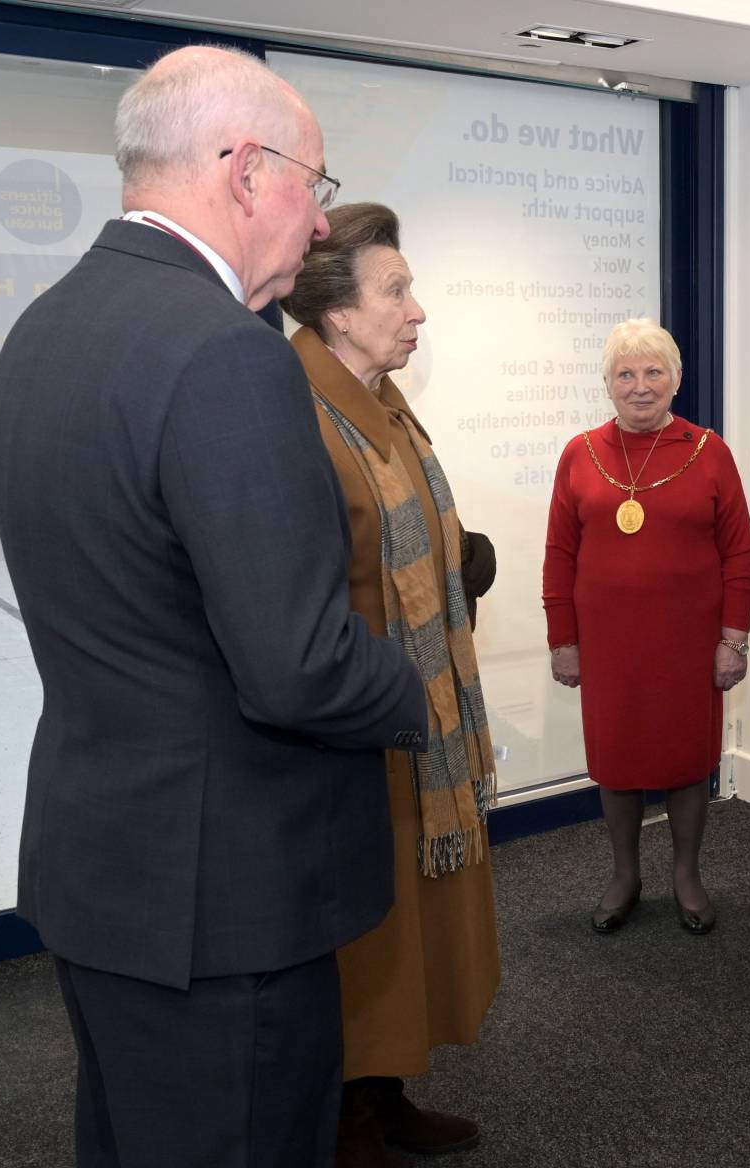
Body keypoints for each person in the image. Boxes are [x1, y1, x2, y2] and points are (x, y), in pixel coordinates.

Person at [0, 47, 428, 1168]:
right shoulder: (227, 356)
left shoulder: (44, 327)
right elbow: (298, 665)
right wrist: (407, 681)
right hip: (228, 902)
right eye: (312, 187)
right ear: (242, 169)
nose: (320, 226)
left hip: (109, 875)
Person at [280, 203, 500, 1167]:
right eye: (396, 291)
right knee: (362, 938)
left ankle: (381, 1093)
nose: (418, 311)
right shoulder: (293, 410)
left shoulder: (380, 401)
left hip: (411, 726)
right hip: (349, 735)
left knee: (403, 931)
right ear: (335, 311)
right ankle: (339, 1117)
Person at [543, 318, 750, 934]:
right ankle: (624, 875)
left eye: (653, 371)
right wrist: (564, 640)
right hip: (609, 646)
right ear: (608, 384)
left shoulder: (708, 451)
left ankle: (687, 875)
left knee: (687, 759)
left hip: (688, 646)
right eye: (626, 374)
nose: (640, 386)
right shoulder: (579, 454)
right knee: (617, 760)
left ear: (676, 379)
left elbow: (741, 554)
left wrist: (732, 640)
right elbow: (559, 555)